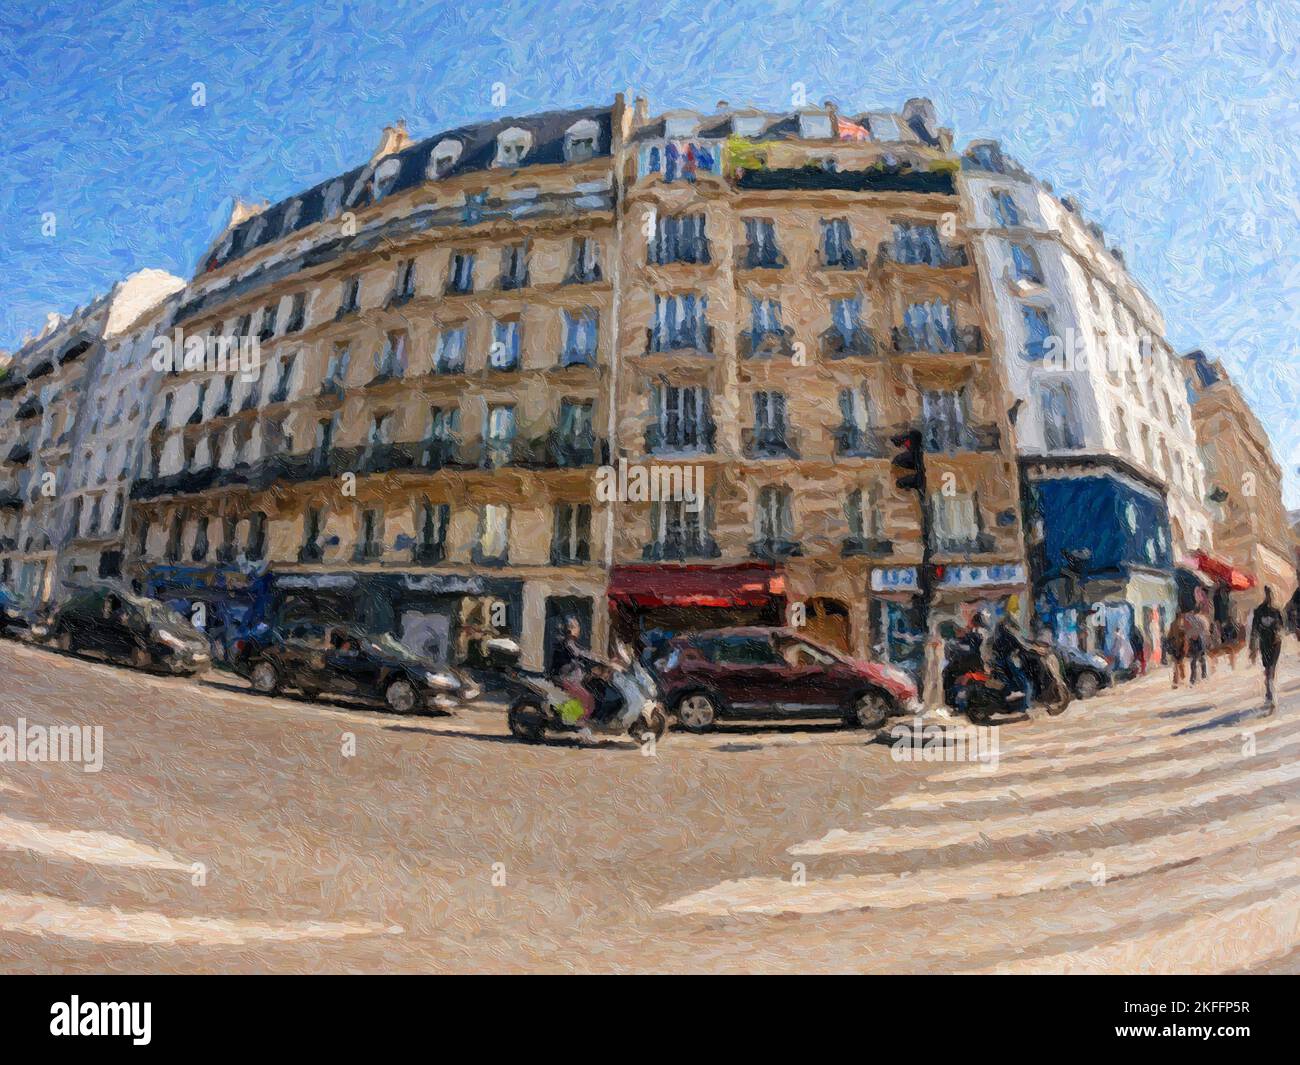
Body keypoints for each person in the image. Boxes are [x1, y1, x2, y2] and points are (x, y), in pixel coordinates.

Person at [989, 609, 1033, 710]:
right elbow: (1020, 647)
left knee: (1009, 684)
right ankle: (1023, 705)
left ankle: (1014, 705)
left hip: (1002, 663)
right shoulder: (1010, 637)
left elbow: (995, 650)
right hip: (1010, 662)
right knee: (1022, 681)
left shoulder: (998, 639)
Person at [1250, 587, 1285, 712]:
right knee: (1267, 668)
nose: (1269, 597)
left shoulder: (1276, 612)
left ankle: (1270, 693)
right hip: (1264, 643)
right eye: (1267, 594)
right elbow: (1254, 630)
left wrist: (1278, 634)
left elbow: (1282, 627)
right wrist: (1252, 647)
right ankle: (1269, 690)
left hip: (1275, 644)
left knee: (1271, 668)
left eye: (1271, 594)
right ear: (1265, 595)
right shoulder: (1259, 611)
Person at [1186, 610, 1209, 685]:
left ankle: (1201, 676)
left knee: (1200, 660)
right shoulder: (1192, 619)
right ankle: (1194, 679)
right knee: (1195, 663)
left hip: (1197, 646)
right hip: (1194, 646)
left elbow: (1202, 629)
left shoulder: (1195, 619)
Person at [1166, 613, 1188, 689]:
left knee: (1176, 664)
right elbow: (1185, 635)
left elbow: (1169, 636)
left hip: (1175, 646)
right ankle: (1182, 677)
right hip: (1180, 647)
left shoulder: (1172, 624)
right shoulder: (1182, 624)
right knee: (1180, 662)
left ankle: (1176, 680)